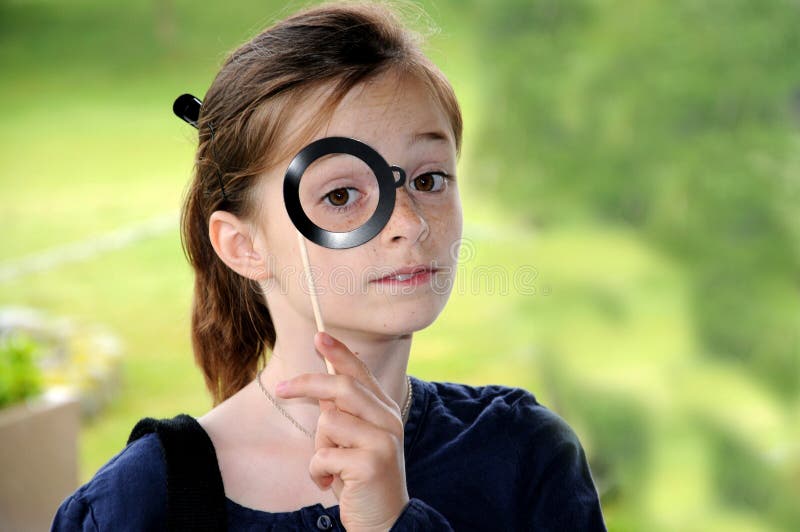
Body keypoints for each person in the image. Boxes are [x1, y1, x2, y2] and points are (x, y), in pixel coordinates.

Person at [52, 2, 606, 530]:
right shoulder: (134, 506)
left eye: (429, 179)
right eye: (341, 195)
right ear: (243, 245)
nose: (408, 222)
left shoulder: (526, 458)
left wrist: (392, 523)